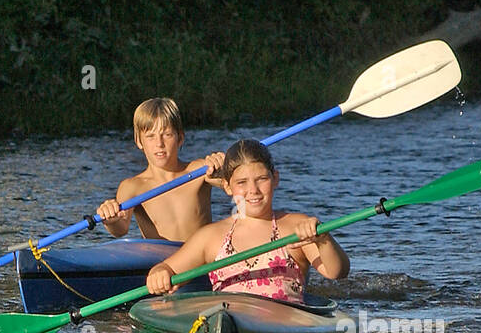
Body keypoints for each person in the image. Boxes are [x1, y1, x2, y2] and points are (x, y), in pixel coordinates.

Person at [145, 139, 349, 301]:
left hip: (284, 327)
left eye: (262, 179)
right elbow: (167, 268)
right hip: (231, 327)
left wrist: (323, 239)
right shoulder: (211, 237)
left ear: (275, 179)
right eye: (242, 182)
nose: (253, 190)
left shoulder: (296, 226)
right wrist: (159, 274)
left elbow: (336, 272)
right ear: (227, 187)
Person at [95, 98, 226, 242]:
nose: (159, 143)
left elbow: (230, 185)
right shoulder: (132, 187)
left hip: (202, 257)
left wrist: (223, 168)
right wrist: (111, 220)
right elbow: (121, 229)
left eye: (167, 134)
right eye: (150, 136)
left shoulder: (199, 170)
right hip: (161, 261)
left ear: (180, 138)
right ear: (139, 141)